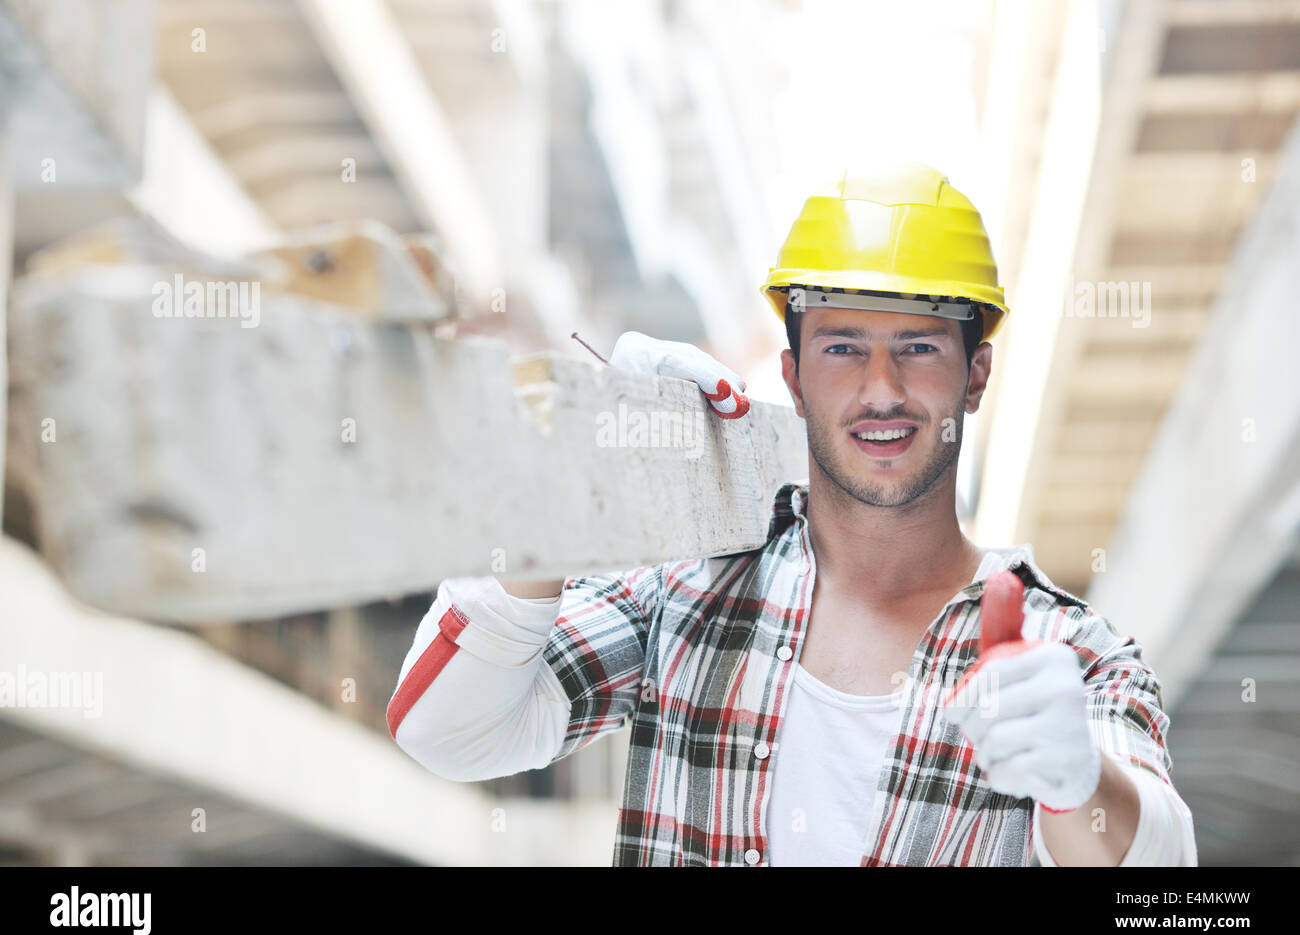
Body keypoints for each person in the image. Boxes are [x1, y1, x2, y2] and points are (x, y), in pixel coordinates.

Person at [385, 161, 1197, 866]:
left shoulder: (1069, 660)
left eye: (918, 346)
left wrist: (1076, 779)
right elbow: (449, 732)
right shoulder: (688, 592)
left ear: (975, 376)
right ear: (795, 376)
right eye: (843, 346)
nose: (882, 388)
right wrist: (564, 490)